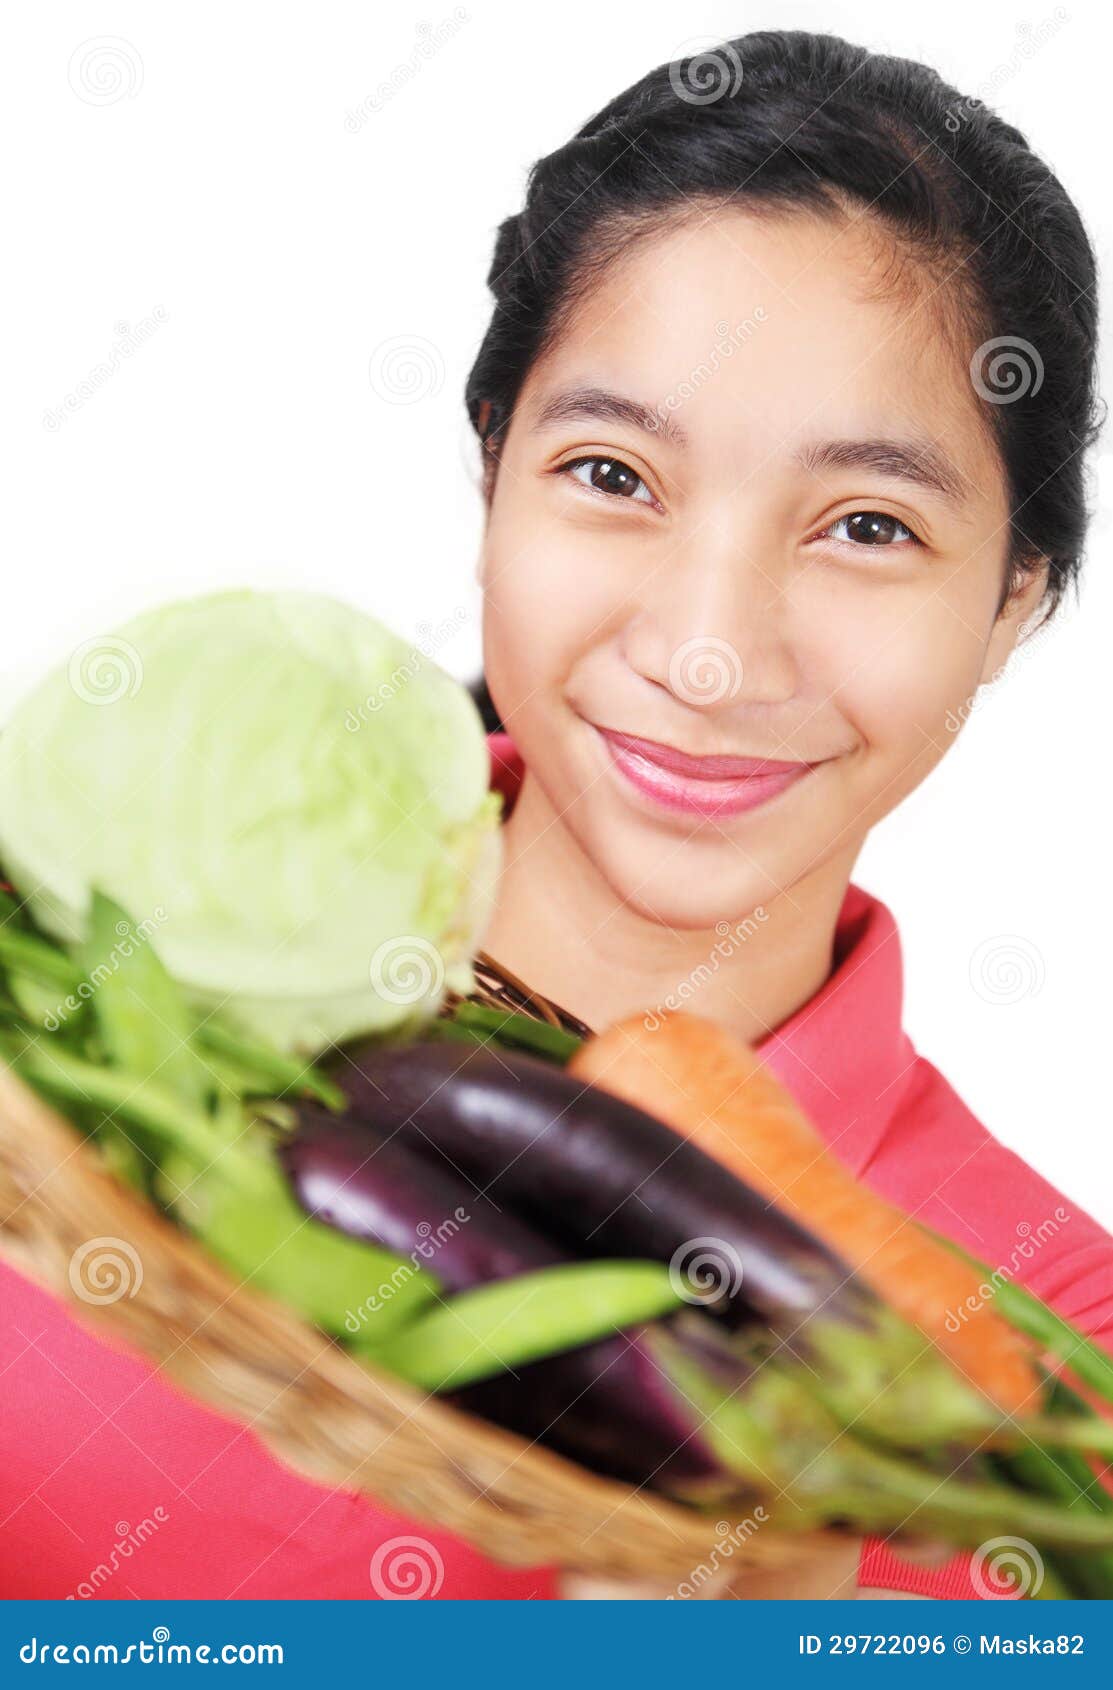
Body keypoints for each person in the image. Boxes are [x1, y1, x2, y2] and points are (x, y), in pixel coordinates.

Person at [1, 29, 1109, 1602]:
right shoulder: (66, 990)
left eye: (866, 524)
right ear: (490, 478)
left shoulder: (1064, 1404)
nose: (707, 653)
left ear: (1011, 602)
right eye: (612, 473)